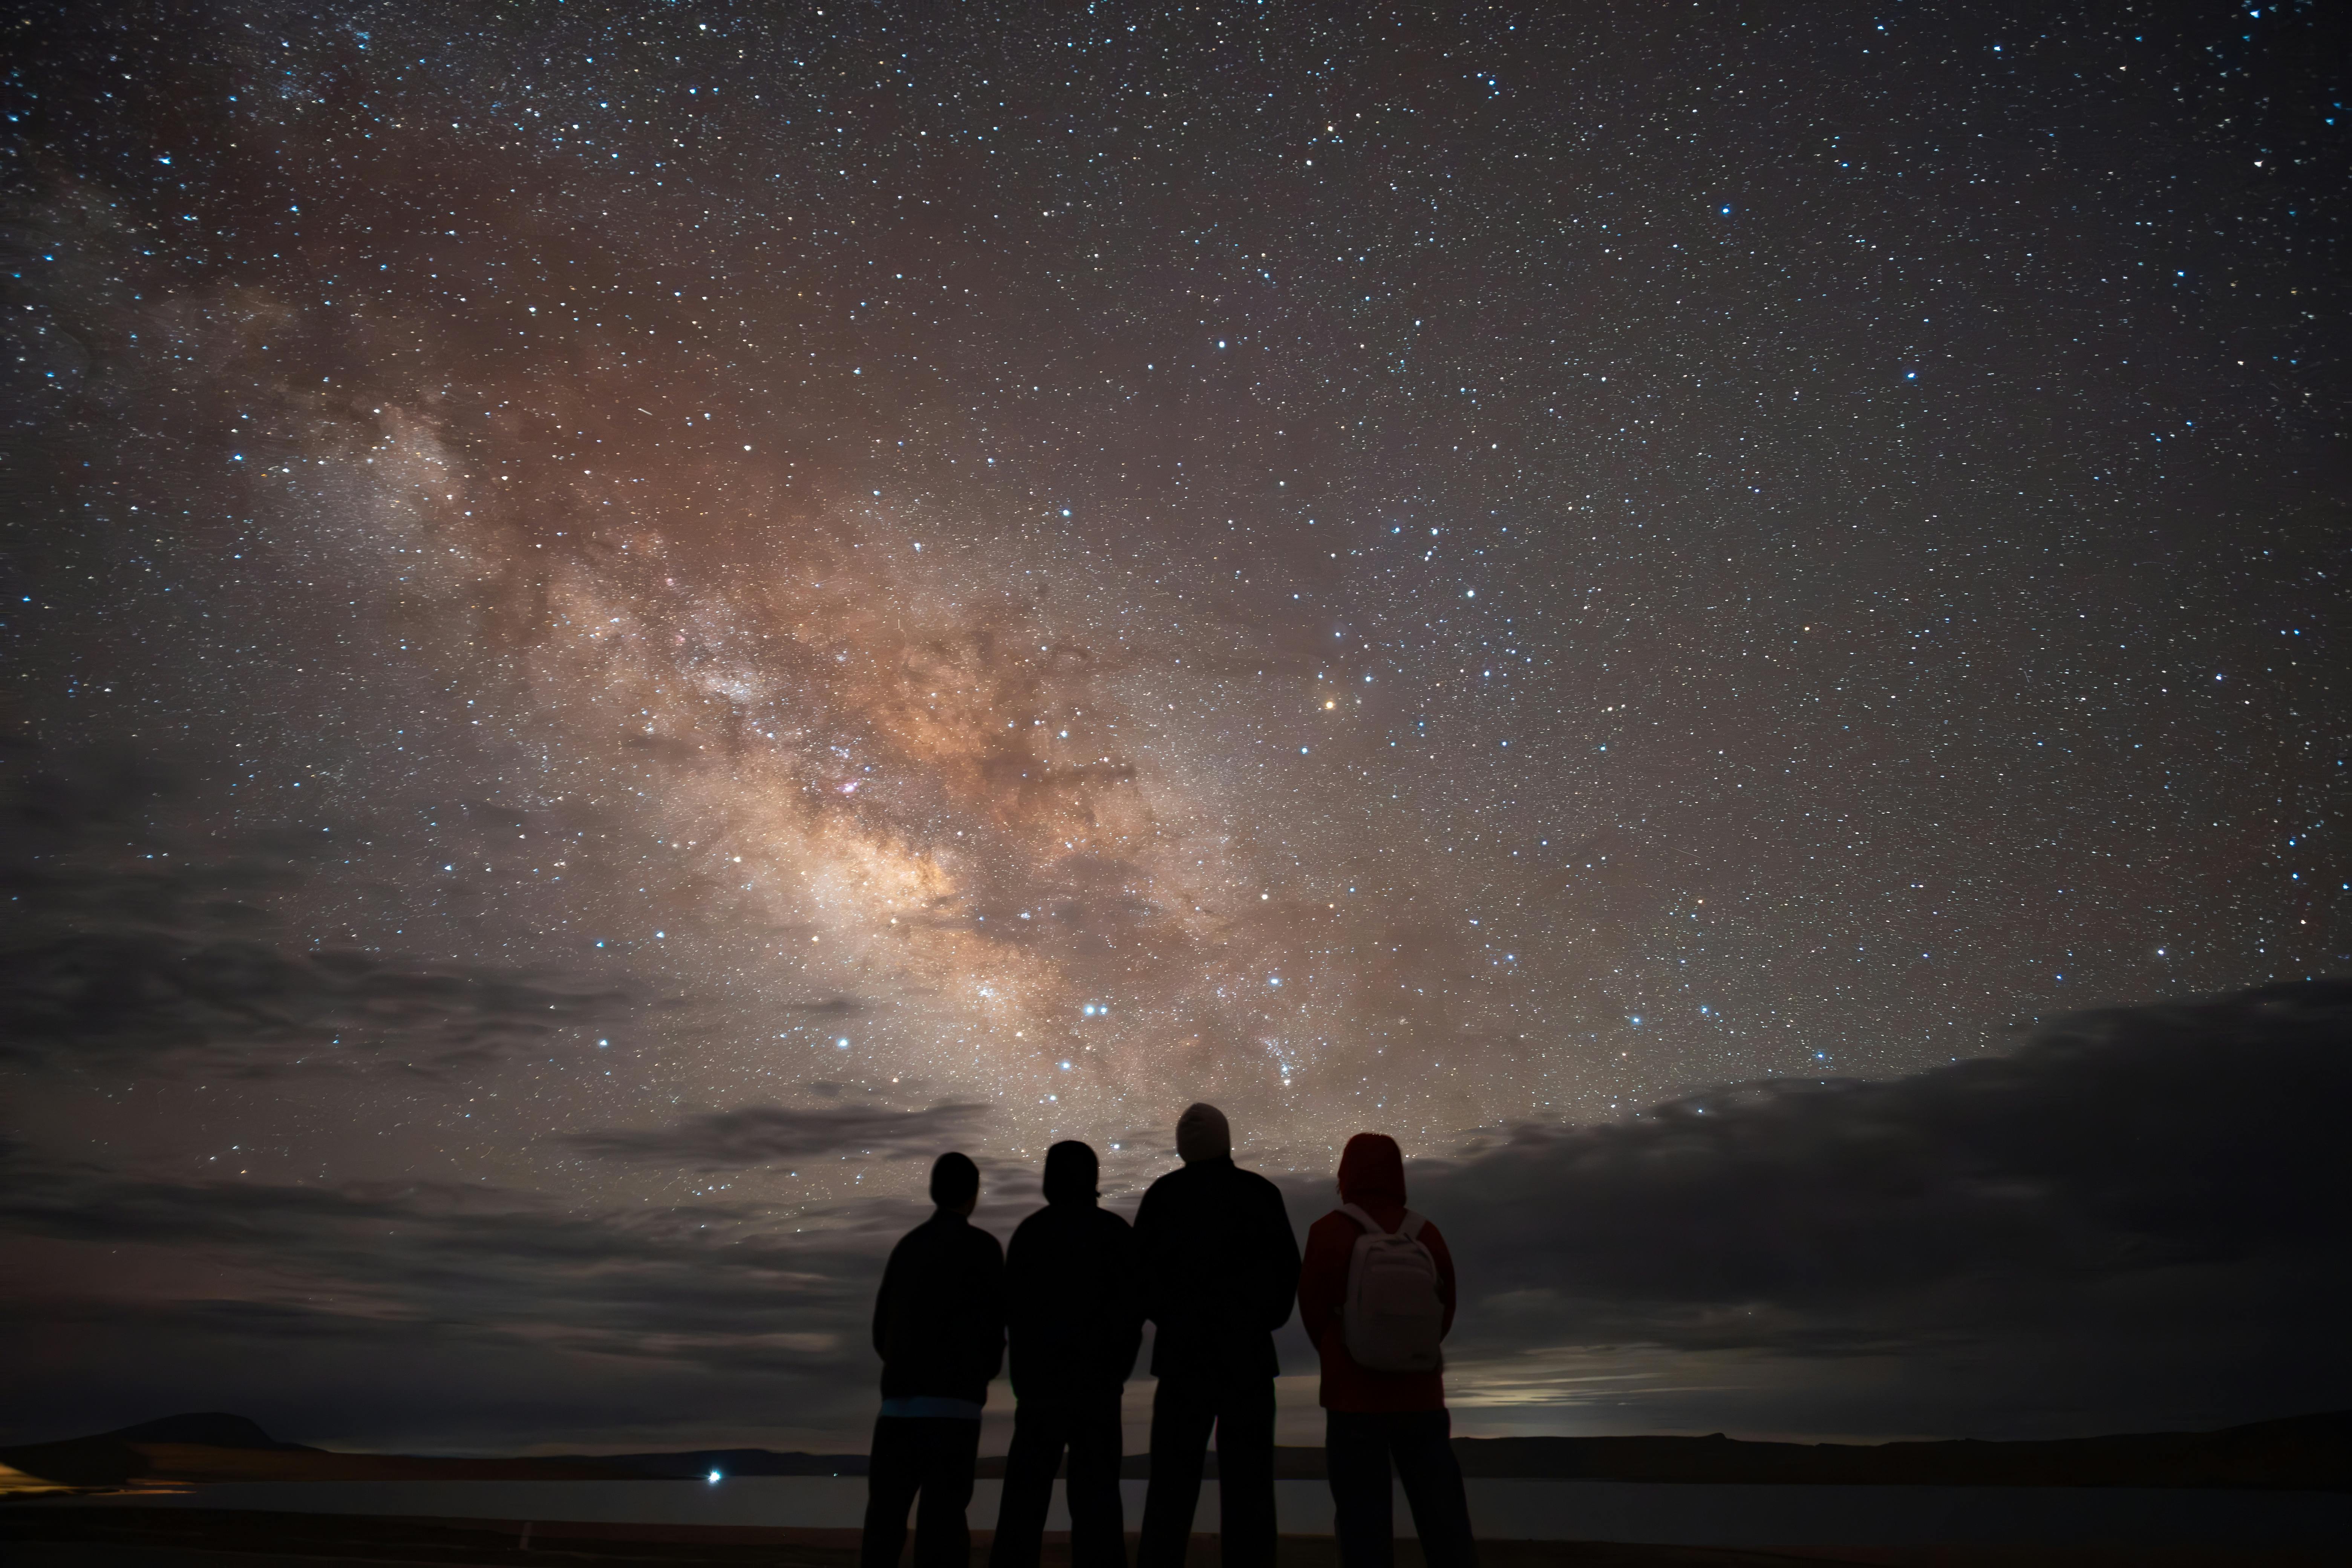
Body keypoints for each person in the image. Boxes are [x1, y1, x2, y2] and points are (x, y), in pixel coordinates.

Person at [1134, 1103, 1301, 1568]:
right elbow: (1288, 1270)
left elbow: (1141, 1278)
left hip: (1181, 1360)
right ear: (1226, 1140)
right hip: (1247, 1359)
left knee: (1170, 1488)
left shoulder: (1163, 1195)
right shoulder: (1260, 1193)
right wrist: (1261, 1320)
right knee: (1250, 1490)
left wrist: (1172, 1320)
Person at [1297, 1133, 1476, 1568]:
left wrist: (1345, 1351)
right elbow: (1444, 1309)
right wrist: (1411, 1351)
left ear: (1347, 1173)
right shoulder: (1425, 1231)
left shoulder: (1328, 1231)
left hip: (1352, 1399)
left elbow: (1313, 1310)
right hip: (1421, 1397)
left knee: (1363, 1526)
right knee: (1444, 1522)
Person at [990, 1141, 1142, 1568]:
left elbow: (1012, 1312)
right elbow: (1133, 1313)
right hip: (1098, 1391)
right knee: (1099, 1508)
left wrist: (1025, 1376)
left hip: (1039, 1392)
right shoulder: (1115, 1233)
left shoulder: (1029, 1234)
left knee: (1023, 1506)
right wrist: (1116, 1373)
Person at [861, 1151, 1005, 1568]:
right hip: (955, 1411)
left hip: (898, 1408)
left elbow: (880, 1327)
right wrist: (980, 1373)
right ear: (973, 1195)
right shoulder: (984, 1248)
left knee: (884, 1523)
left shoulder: (907, 1246)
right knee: (943, 1525)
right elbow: (996, 1325)